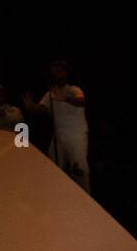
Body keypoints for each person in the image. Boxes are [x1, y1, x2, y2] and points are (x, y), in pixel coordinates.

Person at [23, 59, 90, 193]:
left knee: (79, 169)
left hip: (75, 135)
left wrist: (65, 98)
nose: (55, 73)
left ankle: (85, 197)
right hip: (59, 137)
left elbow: (82, 101)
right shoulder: (50, 93)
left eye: (58, 70)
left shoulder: (73, 89)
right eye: (53, 70)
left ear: (65, 73)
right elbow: (41, 108)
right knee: (53, 166)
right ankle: (58, 194)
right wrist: (30, 107)